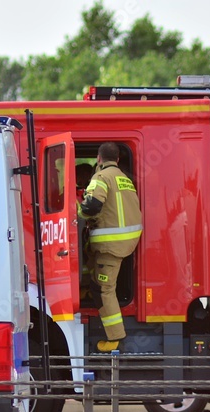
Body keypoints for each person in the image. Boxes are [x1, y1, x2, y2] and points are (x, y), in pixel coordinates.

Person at [77, 142, 142, 352]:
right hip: (126, 239)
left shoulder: (101, 177)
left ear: (98, 158)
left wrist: (77, 216)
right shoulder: (124, 178)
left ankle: (116, 337)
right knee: (91, 261)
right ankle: (88, 288)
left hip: (112, 244)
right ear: (118, 159)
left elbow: (92, 205)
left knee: (104, 288)